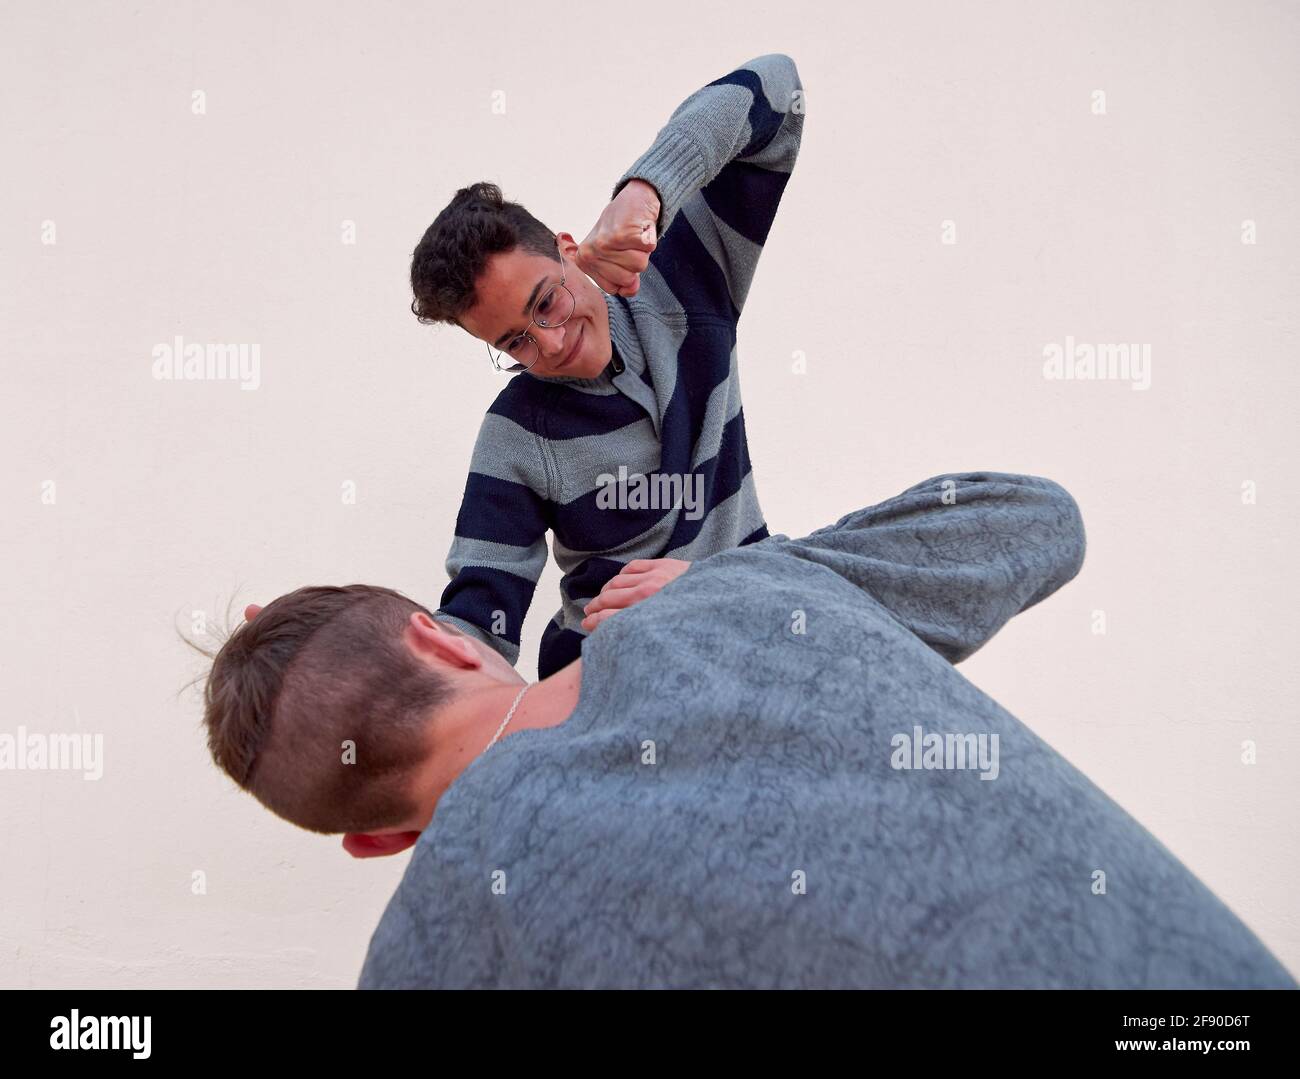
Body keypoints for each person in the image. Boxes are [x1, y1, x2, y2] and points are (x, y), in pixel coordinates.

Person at [199, 472, 1297, 988]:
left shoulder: (422, 962)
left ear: (380, 840)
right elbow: (1038, 519)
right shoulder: (740, 599)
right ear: (439, 642)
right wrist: (745, 569)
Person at [409, 52, 805, 678]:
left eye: (547, 301)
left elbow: (778, 93)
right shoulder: (518, 433)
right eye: (516, 343)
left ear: (568, 249)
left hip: (754, 633)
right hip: (610, 678)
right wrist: (361, 657)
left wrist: (646, 190)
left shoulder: (688, 285)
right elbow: (480, 621)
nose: (553, 342)